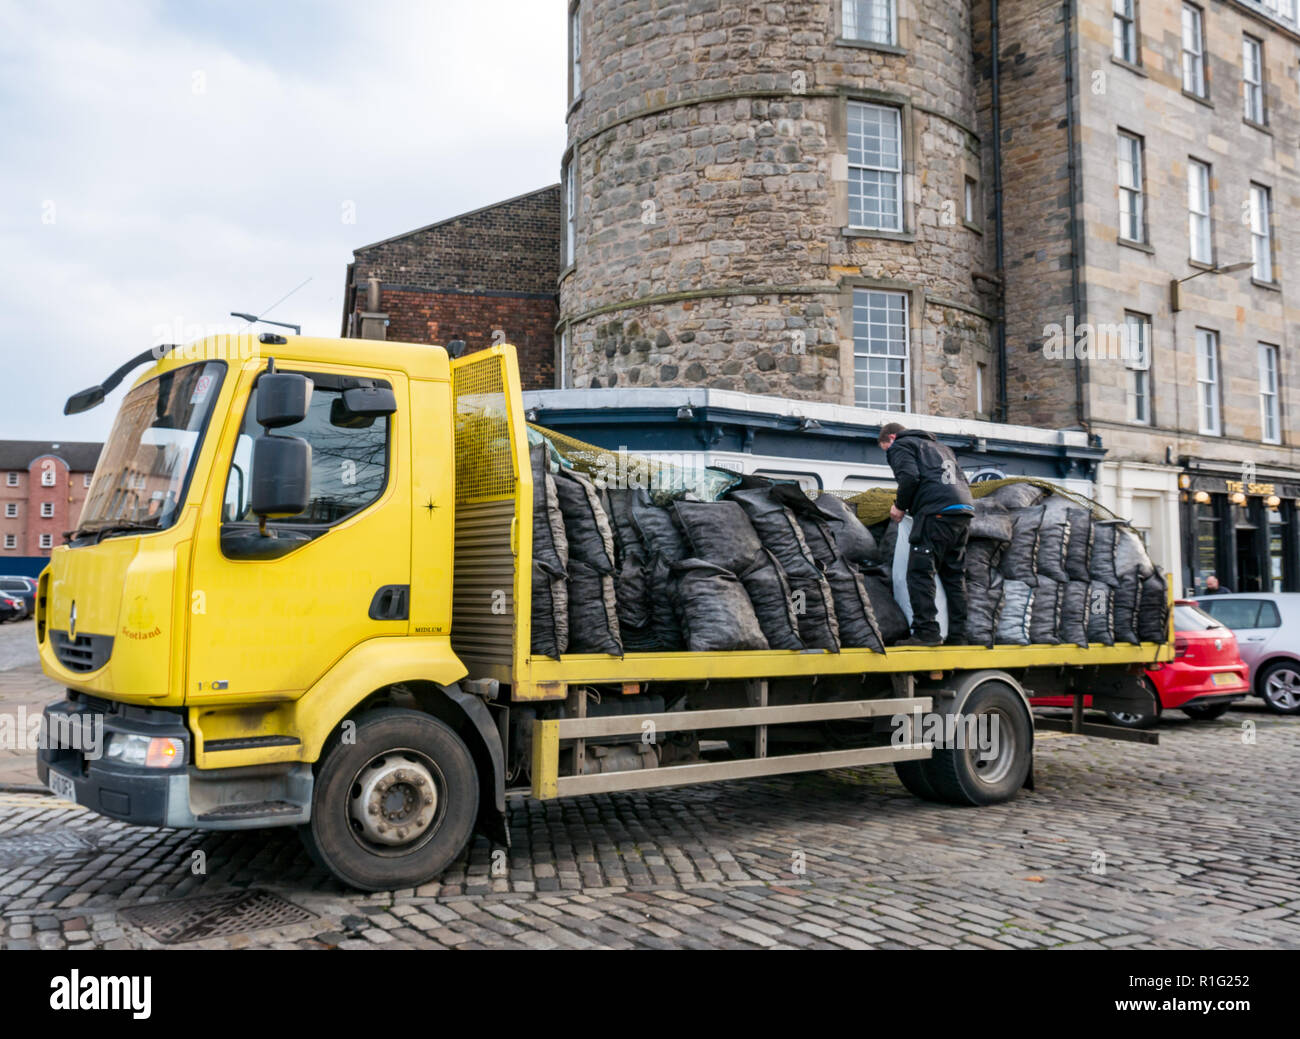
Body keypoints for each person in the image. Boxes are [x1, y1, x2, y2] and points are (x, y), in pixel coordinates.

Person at [879, 422, 974, 646]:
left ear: (891, 437)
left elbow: (909, 478)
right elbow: (962, 481)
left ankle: (926, 632)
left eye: (885, 449)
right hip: (962, 512)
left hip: (936, 514)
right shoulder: (942, 448)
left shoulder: (901, 445)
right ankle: (959, 636)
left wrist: (900, 506)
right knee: (954, 575)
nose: (888, 454)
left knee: (920, 572)